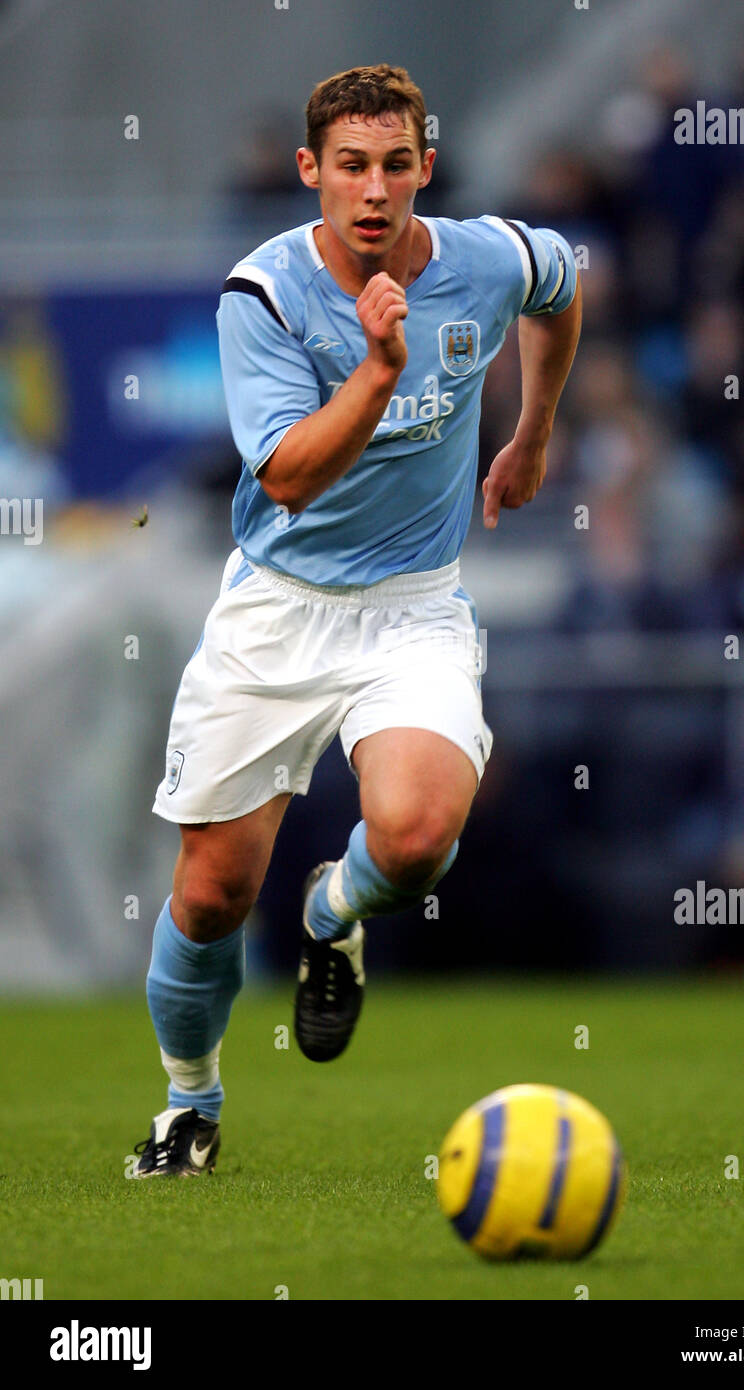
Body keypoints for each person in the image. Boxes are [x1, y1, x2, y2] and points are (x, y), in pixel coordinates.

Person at [132, 63, 581, 1177]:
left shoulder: (481, 257)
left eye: (394, 166)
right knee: (209, 895)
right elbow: (286, 476)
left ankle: (333, 912)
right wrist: (378, 372)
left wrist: (528, 433)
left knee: (419, 838)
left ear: (423, 168)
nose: (373, 191)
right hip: (277, 610)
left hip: (413, 607)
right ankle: (189, 1106)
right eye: (349, 167)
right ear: (310, 173)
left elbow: (561, 285)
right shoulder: (267, 294)